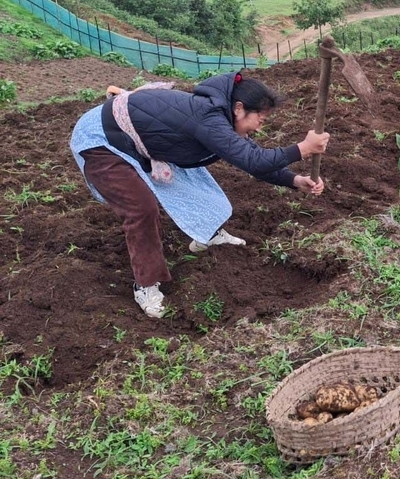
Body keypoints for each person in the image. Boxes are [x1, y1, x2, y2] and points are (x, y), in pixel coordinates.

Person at [69, 71, 330, 319]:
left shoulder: (220, 119)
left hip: (141, 137)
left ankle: (207, 234)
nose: (259, 129)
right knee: (140, 208)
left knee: (192, 177)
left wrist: (295, 180)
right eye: (259, 120)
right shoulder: (209, 118)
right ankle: (145, 285)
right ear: (238, 108)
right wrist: (302, 149)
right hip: (102, 139)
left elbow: (252, 158)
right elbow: (253, 160)